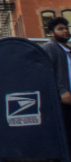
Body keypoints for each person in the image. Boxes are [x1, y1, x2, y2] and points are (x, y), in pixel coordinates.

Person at [42, 16, 71, 150]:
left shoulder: (68, 51)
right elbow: (47, 73)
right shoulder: (50, 47)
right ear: (52, 33)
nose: (65, 31)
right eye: (60, 29)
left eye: (66, 28)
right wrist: (62, 91)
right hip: (62, 102)